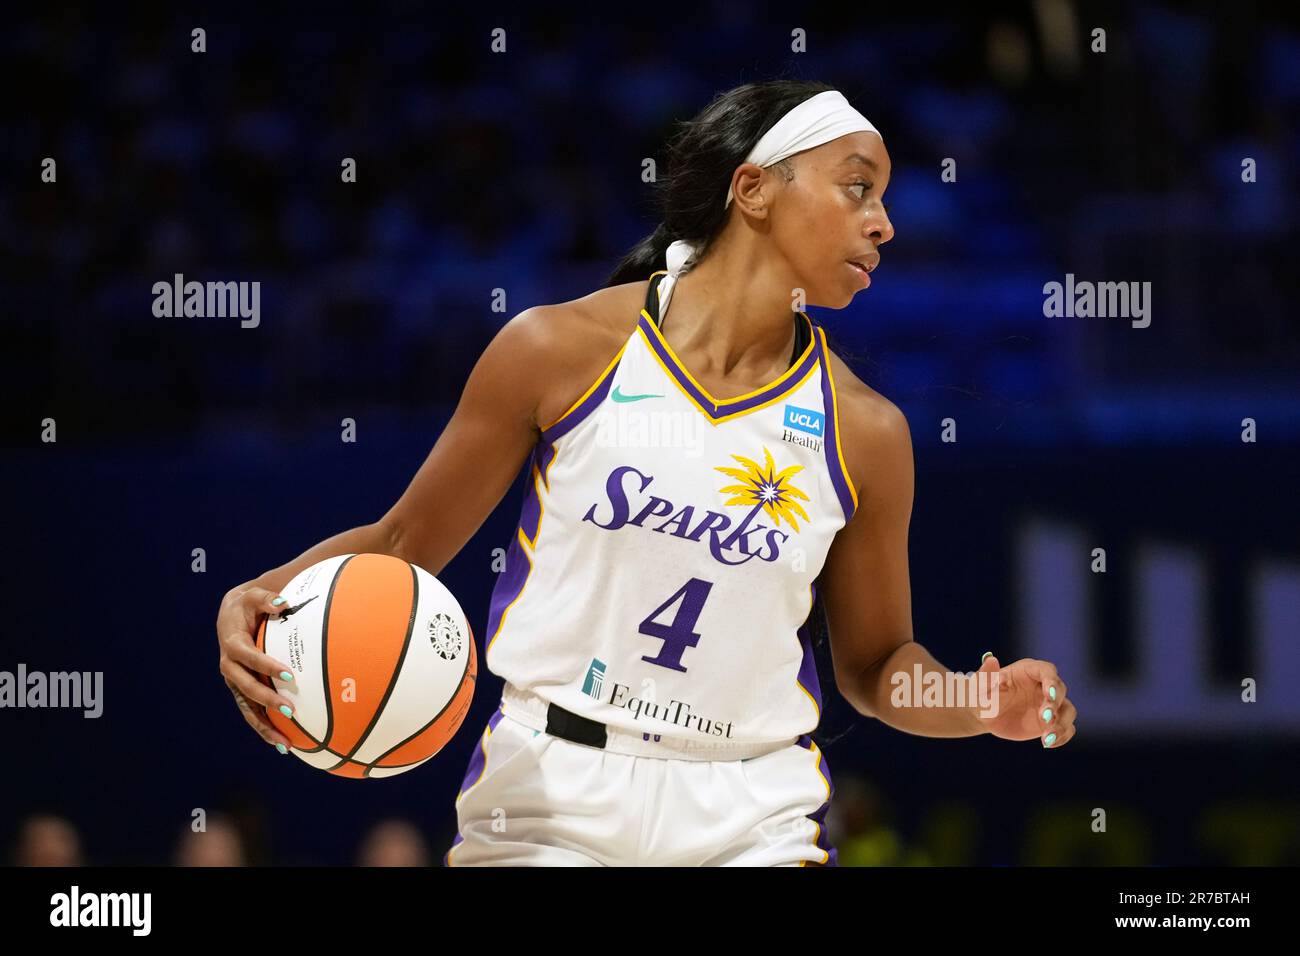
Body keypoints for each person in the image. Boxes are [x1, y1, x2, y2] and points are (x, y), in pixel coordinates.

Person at [215, 80, 1077, 866]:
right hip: (549, 795)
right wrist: (264, 595)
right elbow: (403, 543)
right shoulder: (557, 350)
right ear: (753, 189)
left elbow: (875, 666)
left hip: (752, 810)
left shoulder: (869, 432)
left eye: (884, 198)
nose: (884, 221)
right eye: (858, 186)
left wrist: (973, 700)